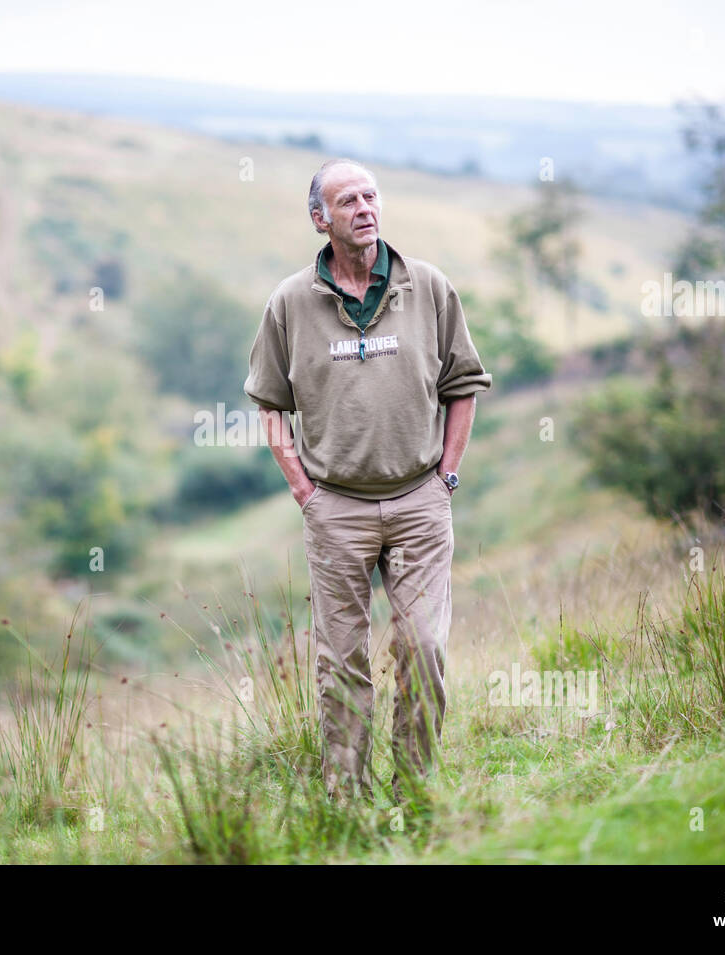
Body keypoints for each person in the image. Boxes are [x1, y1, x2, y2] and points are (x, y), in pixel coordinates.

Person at [243, 158, 492, 802]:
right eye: (346, 200)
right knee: (341, 662)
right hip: (337, 509)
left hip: (419, 502)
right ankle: (346, 805)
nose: (364, 207)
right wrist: (304, 490)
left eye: (370, 195)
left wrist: (447, 476)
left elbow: (463, 385)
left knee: (424, 646)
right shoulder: (290, 302)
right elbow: (270, 404)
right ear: (320, 220)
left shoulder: (429, 287)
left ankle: (416, 793)